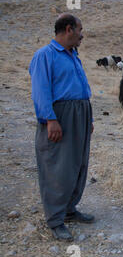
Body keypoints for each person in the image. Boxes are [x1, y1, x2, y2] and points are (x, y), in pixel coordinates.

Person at [29, 14, 94, 241]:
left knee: (77, 163)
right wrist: (50, 119)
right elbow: (40, 90)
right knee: (57, 166)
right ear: (68, 29)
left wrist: (88, 119)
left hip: (80, 116)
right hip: (60, 117)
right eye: (79, 29)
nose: (82, 34)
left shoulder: (73, 55)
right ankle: (55, 220)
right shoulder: (44, 56)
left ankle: (69, 209)